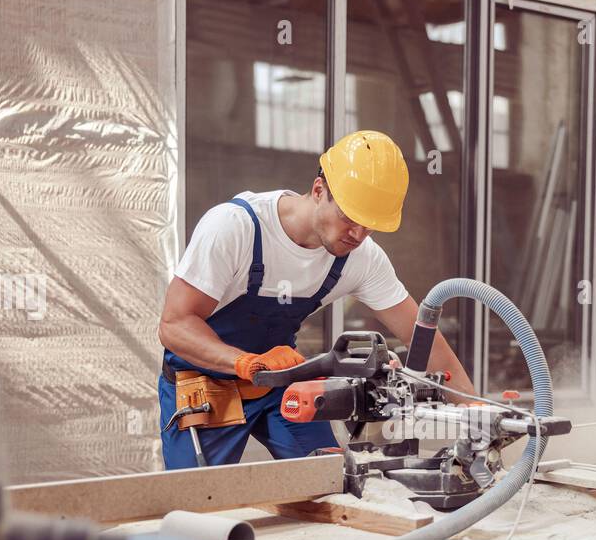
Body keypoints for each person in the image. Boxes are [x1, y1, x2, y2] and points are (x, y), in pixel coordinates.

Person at [157, 129, 475, 468]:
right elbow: (175, 325)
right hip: (205, 387)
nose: (358, 235)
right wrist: (246, 363)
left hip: (280, 386)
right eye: (350, 218)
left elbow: (422, 337)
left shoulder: (362, 257)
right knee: (201, 507)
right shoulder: (236, 227)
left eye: (370, 226)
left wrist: (477, 414)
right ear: (319, 190)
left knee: (330, 479)